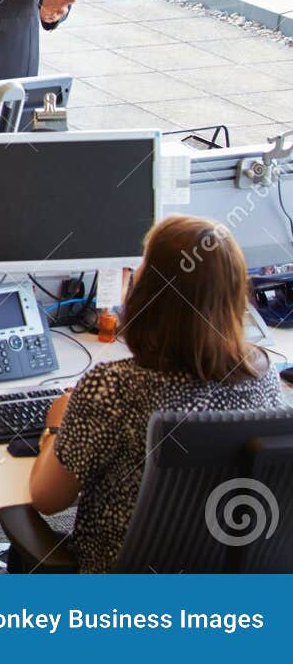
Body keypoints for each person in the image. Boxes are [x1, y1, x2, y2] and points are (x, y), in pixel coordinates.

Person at [24, 216, 282, 573]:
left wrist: (57, 428)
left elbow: (46, 498)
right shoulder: (262, 377)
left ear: (149, 295)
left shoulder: (114, 388)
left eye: (142, 265)